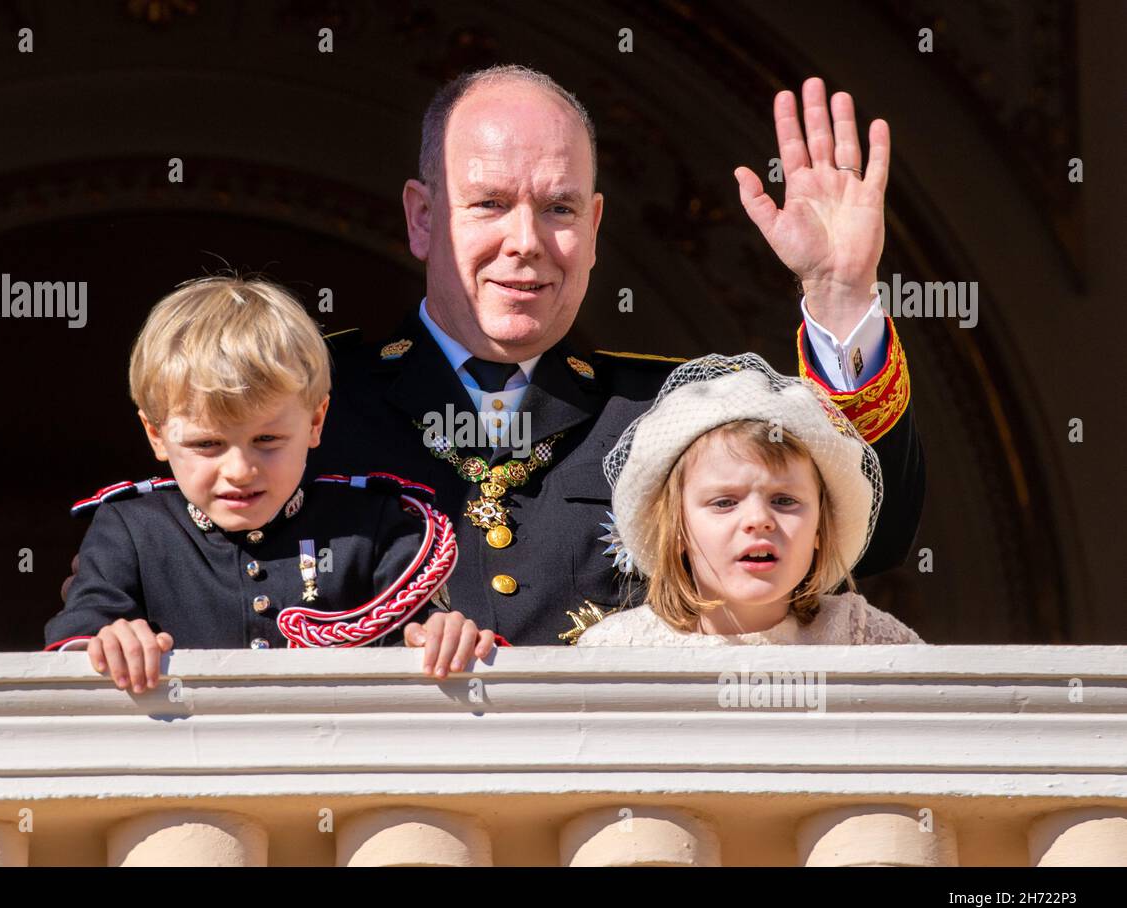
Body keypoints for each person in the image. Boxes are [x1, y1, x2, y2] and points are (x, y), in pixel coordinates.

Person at [62, 66, 925, 657]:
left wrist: (840, 293)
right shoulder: (298, 396)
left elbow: (868, 537)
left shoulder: (678, 409)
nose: (526, 243)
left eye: (556, 208)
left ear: (592, 229)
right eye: (489, 205)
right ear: (423, 217)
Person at [45, 276, 496, 693]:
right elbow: (81, 631)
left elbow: (418, 634)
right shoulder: (131, 528)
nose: (240, 469)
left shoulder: (376, 523)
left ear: (316, 422)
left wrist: (443, 634)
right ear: (156, 435)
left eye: (267, 440)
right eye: (207, 443)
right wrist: (109, 641)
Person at [576, 354, 922, 646]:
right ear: (676, 527)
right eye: (724, 502)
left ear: (820, 526)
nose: (759, 519)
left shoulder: (859, 637)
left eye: (785, 500)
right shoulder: (620, 649)